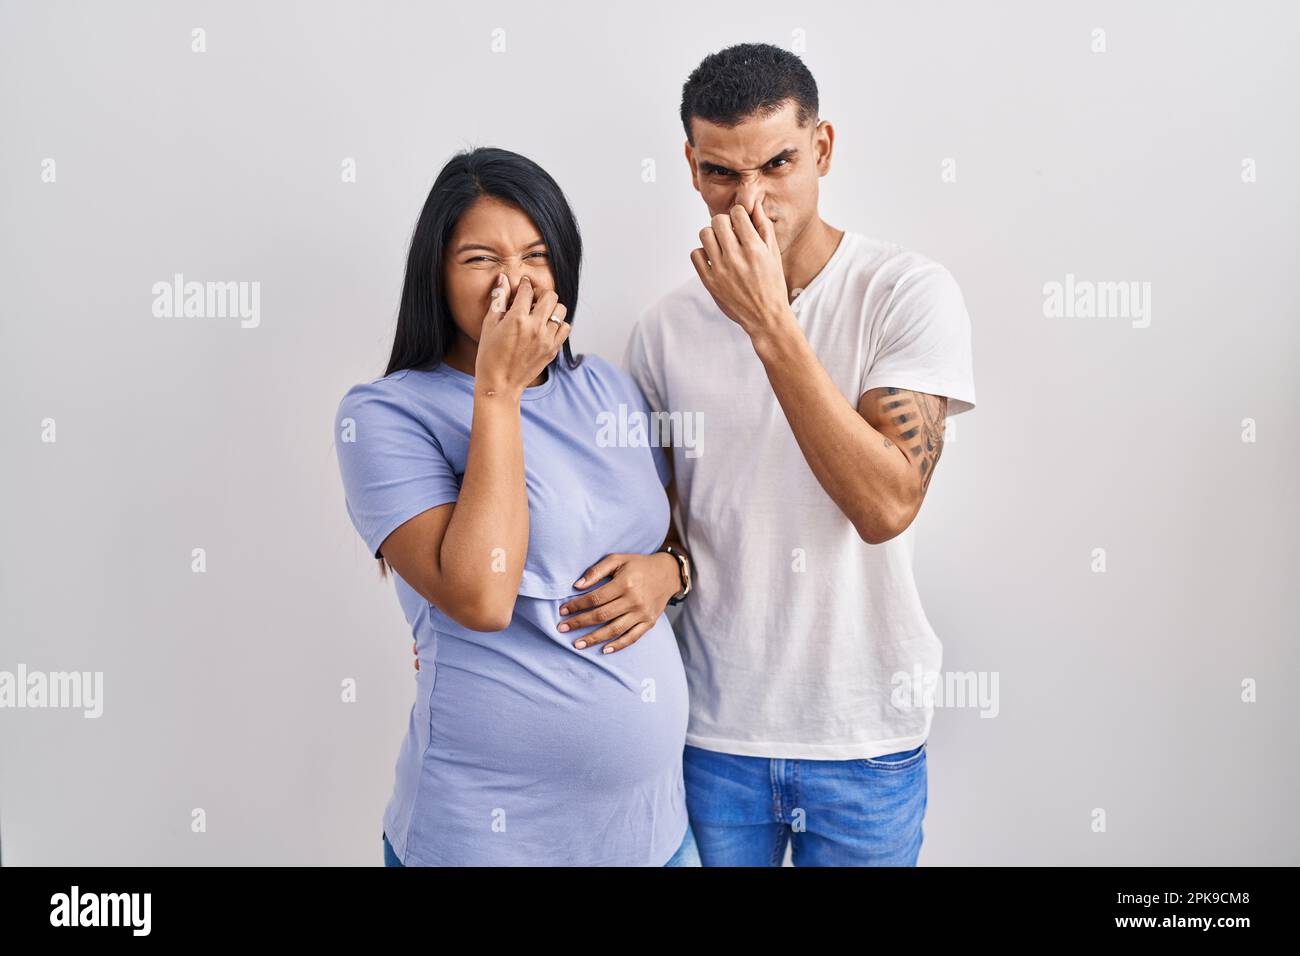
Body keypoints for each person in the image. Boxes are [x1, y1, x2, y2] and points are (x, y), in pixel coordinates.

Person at [620, 43, 978, 866]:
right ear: (690, 165)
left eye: (778, 164)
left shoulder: (904, 292)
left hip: (863, 739)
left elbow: (886, 505)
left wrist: (770, 324)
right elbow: (659, 530)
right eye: (720, 174)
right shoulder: (660, 333)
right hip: (711, 735)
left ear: (821, 148)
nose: (752, 201)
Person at [333, 147, 698, 866]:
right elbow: (481, 596)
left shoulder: (609, 389)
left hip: (654, 836)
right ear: (435, 274)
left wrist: (670, 574)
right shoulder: (386, 415)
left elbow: (676, 530)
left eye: (536, 254)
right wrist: (497, 392)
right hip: (487, 840)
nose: (513, 279)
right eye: (479, 258)